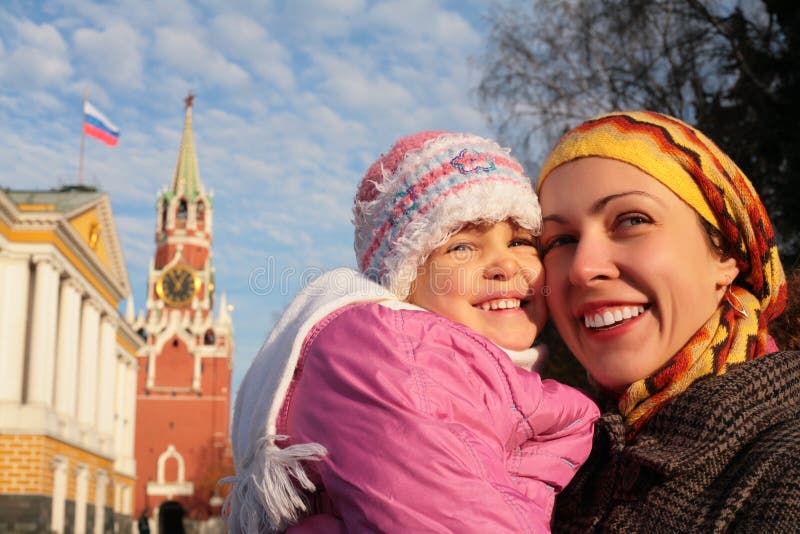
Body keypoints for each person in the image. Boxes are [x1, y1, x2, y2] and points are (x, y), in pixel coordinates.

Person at [224, 131, 599, 532]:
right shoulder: (390, 359)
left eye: (521, 241)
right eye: (462, 247)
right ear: (404, 280)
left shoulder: (495, 379)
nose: (505, 265)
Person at [535, 110, 797, 531]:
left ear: (727, 253)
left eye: (631, 220)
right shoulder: (546, 468)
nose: (582, 268)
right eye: (561, 240)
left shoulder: (785, 477)